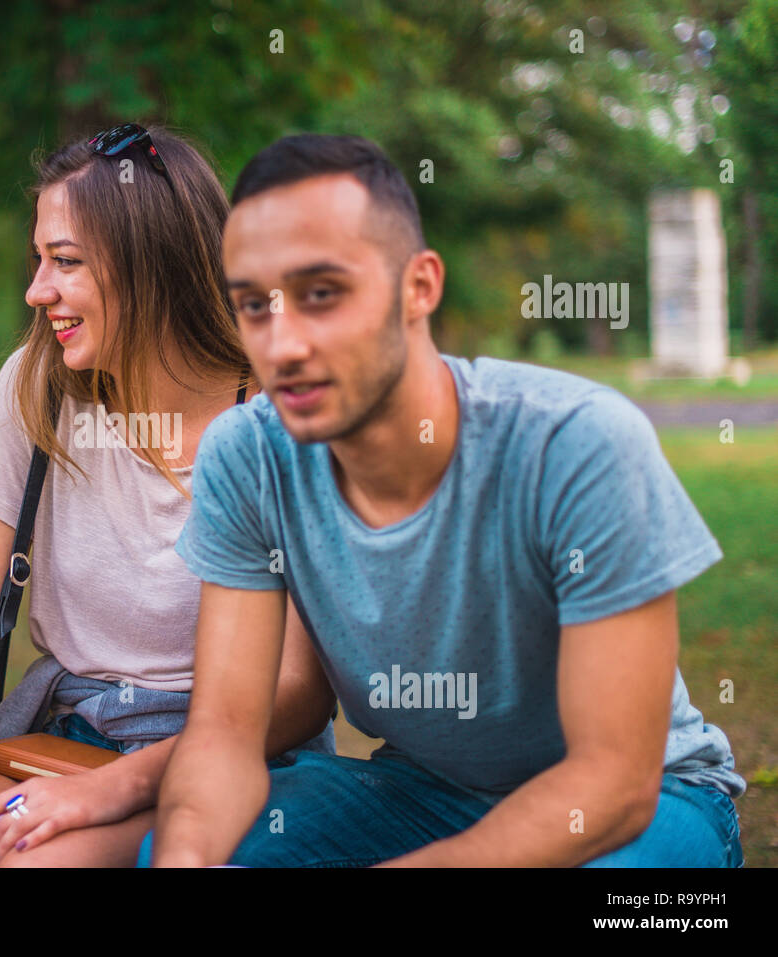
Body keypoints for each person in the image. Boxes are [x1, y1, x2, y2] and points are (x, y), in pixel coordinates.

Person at [145, 133, 746, 867]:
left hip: (649, 804)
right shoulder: (247, 453)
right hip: (421, 790)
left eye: (322, 294)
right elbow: (225, 735)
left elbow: (614, 781)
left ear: (420, 287)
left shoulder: (577, 442)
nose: (284, 342)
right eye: (254, 305)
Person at [0, 124, 336, 869]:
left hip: (224, 751)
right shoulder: (36, 386)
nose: (37, 291)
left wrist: (108, 793)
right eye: (38, 259)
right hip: (67, 735)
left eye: (64, 262)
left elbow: (296, 693)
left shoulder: (282, 418)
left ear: (152, 267)